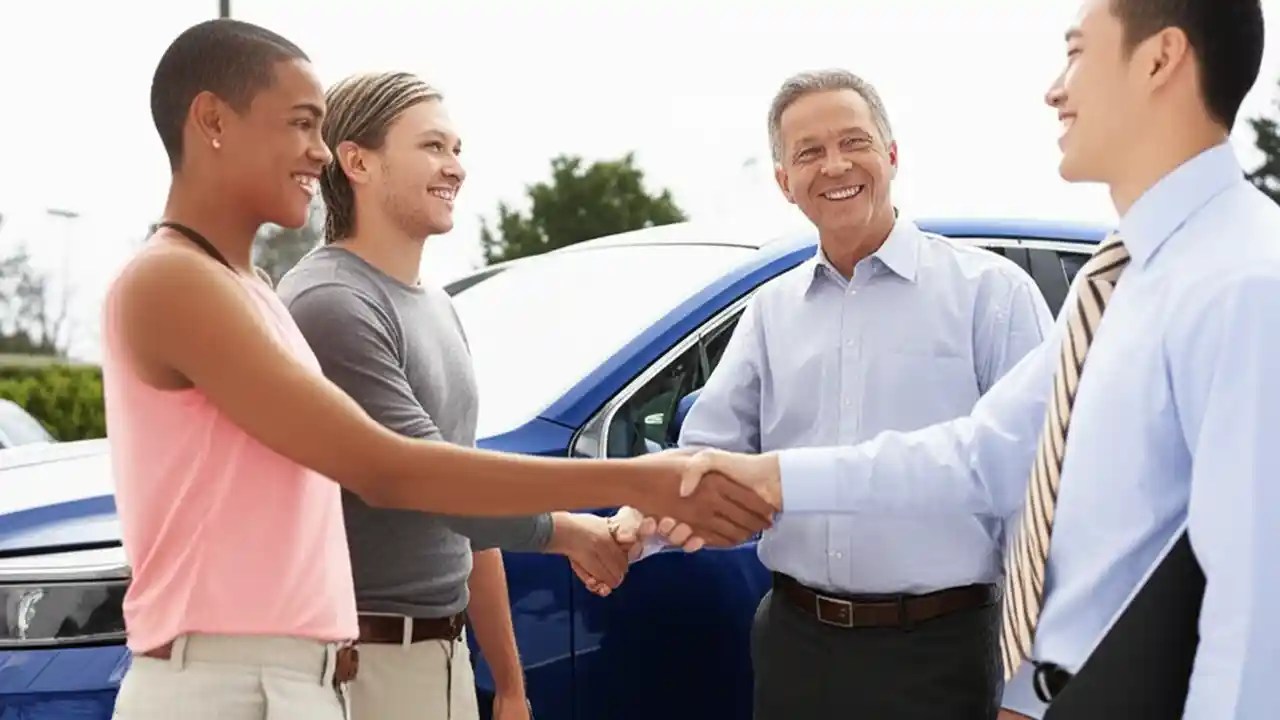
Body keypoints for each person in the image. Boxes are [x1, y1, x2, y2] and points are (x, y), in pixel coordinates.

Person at [103, 19, 772, 719]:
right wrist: (641, 479)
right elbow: (393, 470)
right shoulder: (179, 284)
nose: (317, 152)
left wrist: (510, 679)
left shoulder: (252, 292)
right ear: (211, 119)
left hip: (288, 671)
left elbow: (441, 479)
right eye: (302, 126)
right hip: (230, 678)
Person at [683, 1, 1276, 717]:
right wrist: (771, 476)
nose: (1055, 89)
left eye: (1077, 52)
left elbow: (1253, 618)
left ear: (1160, 60)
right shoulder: (1120, 281)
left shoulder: (1247, 283)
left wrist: (1023, 689)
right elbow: (978, 455)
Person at [666, 69, 1052, 719]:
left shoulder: (990, 294)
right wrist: (631, 526)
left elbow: (1041, 501)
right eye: (809, 153)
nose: (835, 165)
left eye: (855, 142)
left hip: (944, 652)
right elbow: (705, 455)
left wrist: (1027, 691)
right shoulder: (769, 311)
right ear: (785, 181)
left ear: (892, 155)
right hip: (797, 647)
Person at [277, 71, 653, 720]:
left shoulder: (437, 309)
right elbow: (430, 486)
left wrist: (508, 683)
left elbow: (467, 486)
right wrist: (570, 529)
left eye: (456, 149)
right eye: (432, 147)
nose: (455, 168)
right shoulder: (333, 304)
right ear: (358, 161)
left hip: (441, 657)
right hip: (362, 666)